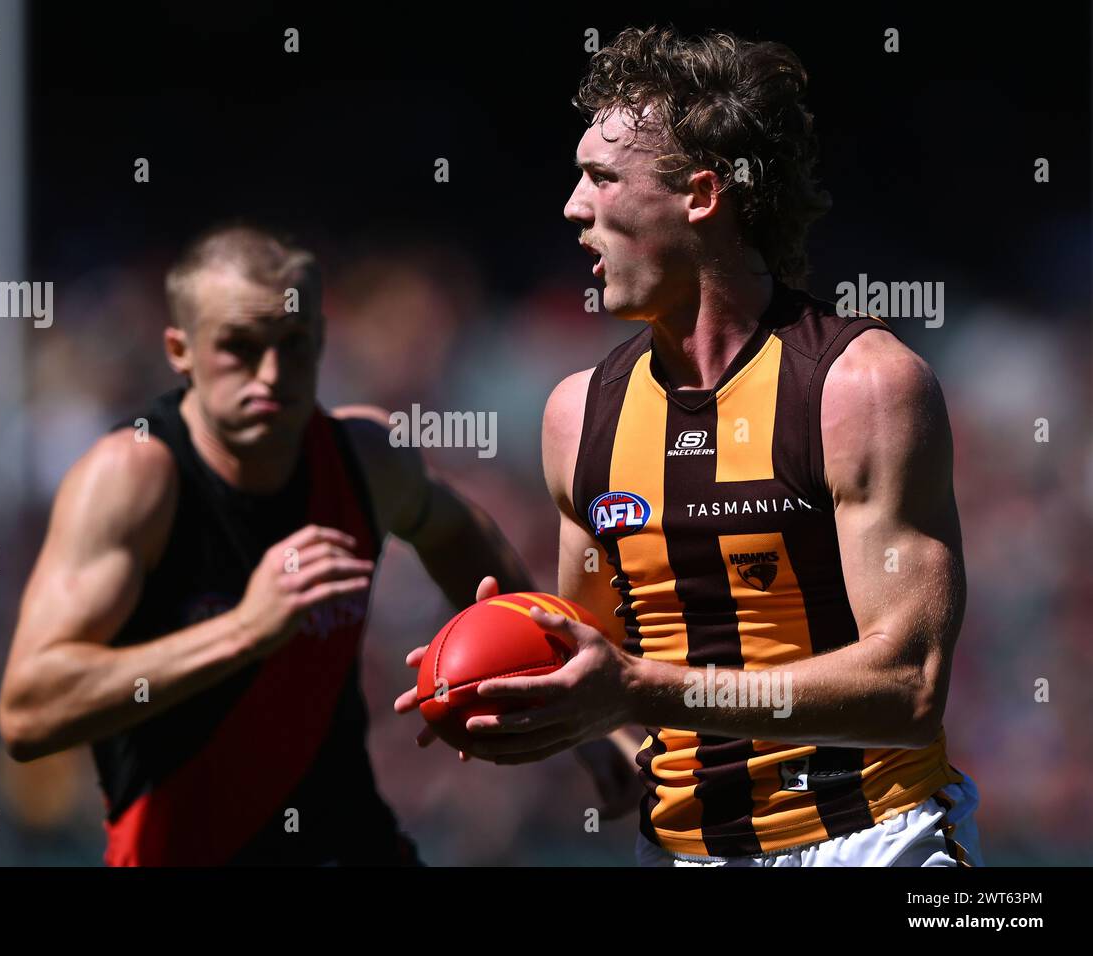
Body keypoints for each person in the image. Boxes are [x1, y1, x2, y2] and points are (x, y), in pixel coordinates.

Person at [397, 26, 981, 867]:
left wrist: (638, 687)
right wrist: (514, 668)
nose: (572, 207)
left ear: (702, 195)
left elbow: (909, 687)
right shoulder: (577, 416)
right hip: (678, 852)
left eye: (601, 179)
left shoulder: (863, 388)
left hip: (870, 842)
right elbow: (599, 663)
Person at [0, 224, 552, 865]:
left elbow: (456, 531)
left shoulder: (364, 459)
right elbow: (28, 711)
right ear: (181, 351)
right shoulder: (133, 479)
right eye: (240, 346)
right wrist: (243, 630)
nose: (273, 374)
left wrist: (556, 698)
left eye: (294, 345)